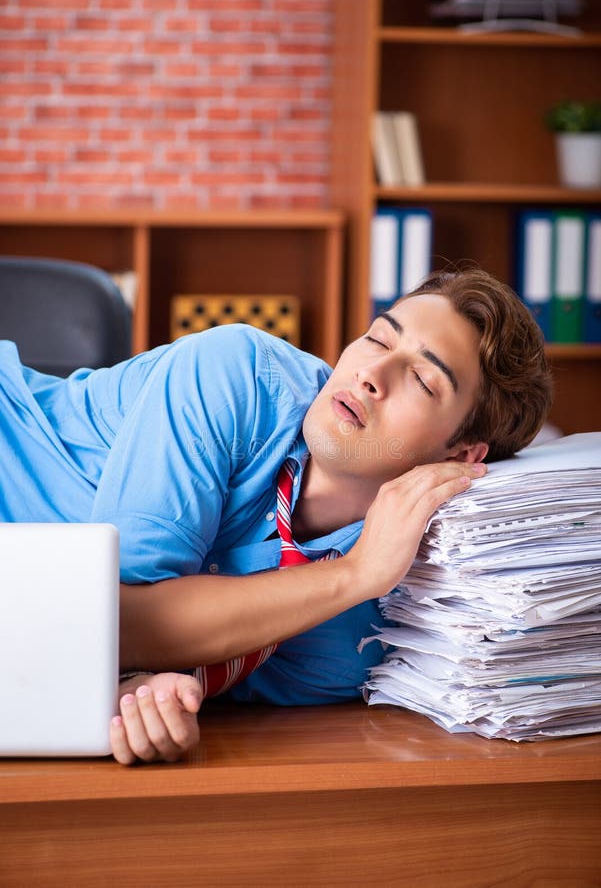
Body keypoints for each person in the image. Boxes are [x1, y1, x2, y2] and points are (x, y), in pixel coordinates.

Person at [0, 267, 552, 764]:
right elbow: (116, 621)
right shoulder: (232, 373)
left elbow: (132, 656)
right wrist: (354, 574)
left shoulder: (370, 636)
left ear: (460, 455)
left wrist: (142, 691)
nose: (371, 373)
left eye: (421, 379)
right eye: (378, 338)